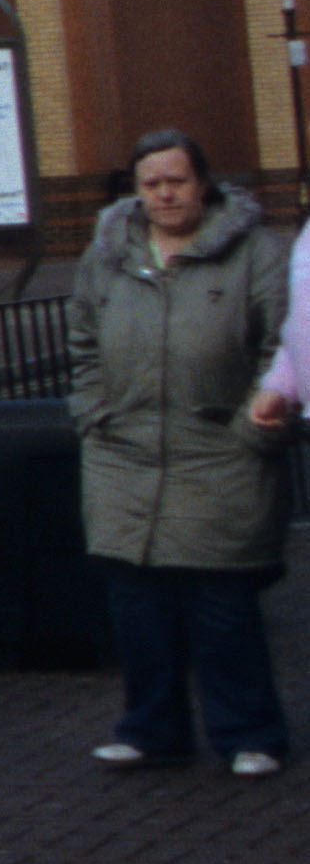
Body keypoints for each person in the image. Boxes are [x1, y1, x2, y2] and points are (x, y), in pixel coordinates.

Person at [81, 126, 295, 774]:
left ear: (203, 183)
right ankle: (151, 731)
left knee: (221, 607)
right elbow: (82, 344)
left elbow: (283, 345)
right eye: (152, 184)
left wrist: (256, 427)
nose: (166, 194)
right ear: (136, 190)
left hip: (220, 454)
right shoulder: (107, 256)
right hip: (124, 455)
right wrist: (91, 414)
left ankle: (250, 734)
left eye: (178, 181)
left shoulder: (255, 253)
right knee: (138, 608)